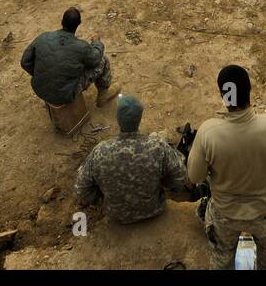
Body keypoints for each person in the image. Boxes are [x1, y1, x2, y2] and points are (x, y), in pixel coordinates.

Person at [187, 65, 266, 270]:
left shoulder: (208, 132)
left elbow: (195, 176)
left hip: (225, 213)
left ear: (223, 96)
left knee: (222, 255)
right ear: (249, 90)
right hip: (265, 210)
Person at [74, 95, 190, 224]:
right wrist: (164, 184)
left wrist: (101, 198)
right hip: (153, 210)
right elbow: (181, 177)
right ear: (139, 119)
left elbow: (81, 189)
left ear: (118, 120)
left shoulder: (100, 152)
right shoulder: (157, 147)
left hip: (117, 215)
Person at [21, 6, 120, 108]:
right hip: (65, 95)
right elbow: (95, 59)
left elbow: (24, 62)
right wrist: (96, 42)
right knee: (103, 61)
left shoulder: (43, 37)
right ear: (78, 24)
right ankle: (102, 98)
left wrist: (42, 74)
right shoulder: (81, 47)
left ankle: (49, 90)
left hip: (40, 89)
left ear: (62, 21)